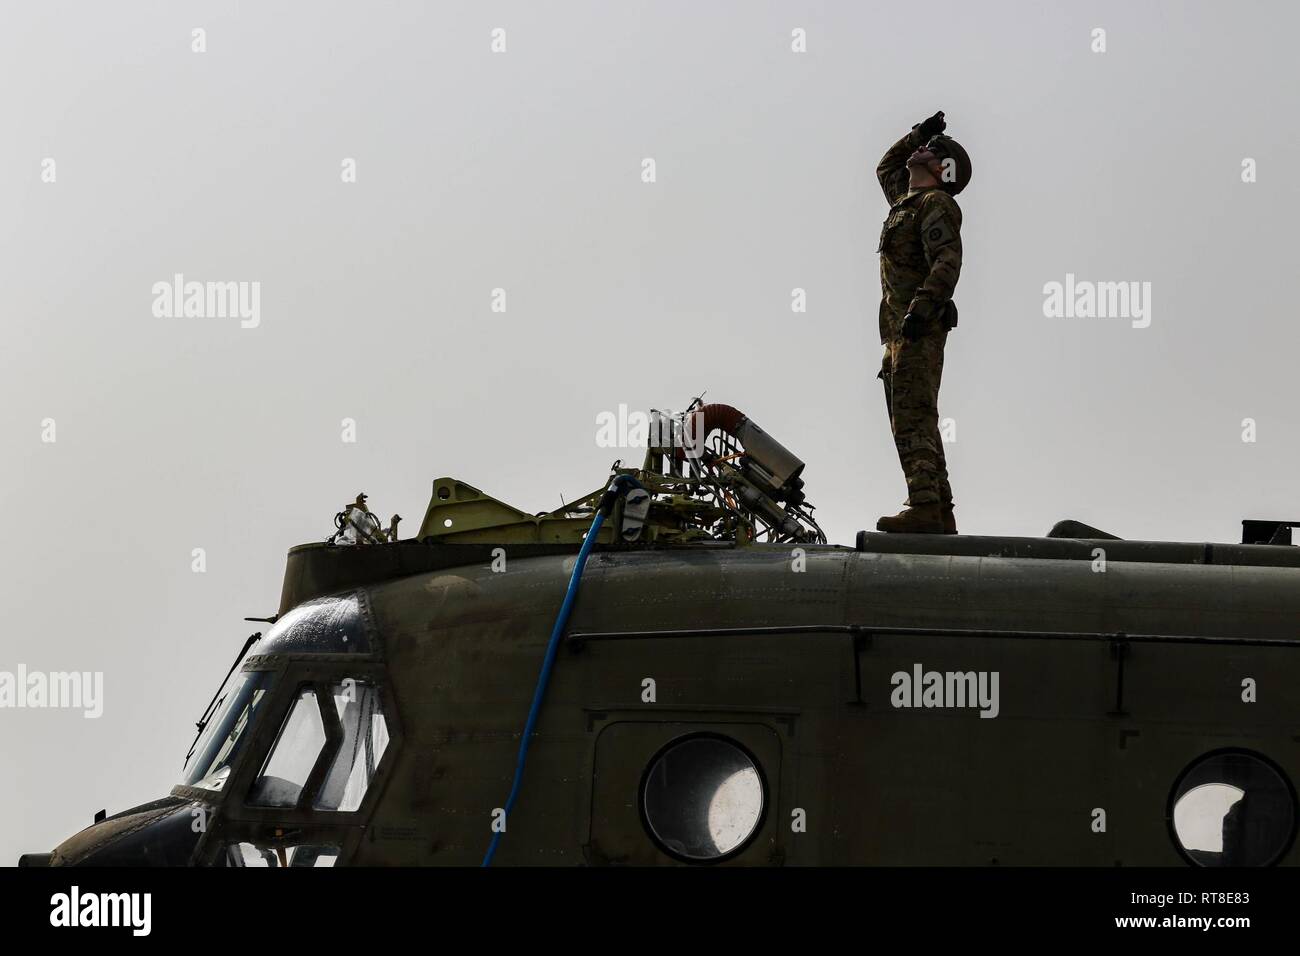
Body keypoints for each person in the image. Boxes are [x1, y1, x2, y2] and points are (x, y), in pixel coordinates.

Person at [874, 110, 971, 534]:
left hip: (917, 325)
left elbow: (947, 259)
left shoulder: (936, 204)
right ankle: (939, 508)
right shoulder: (905, 202)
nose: (920, 151)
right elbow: (886, 167)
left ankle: (926, 504)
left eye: (930, 151)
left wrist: (923, 308)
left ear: (942, 169)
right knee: (911, 415)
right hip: (897, 330)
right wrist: (920, 133)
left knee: (913, 414)